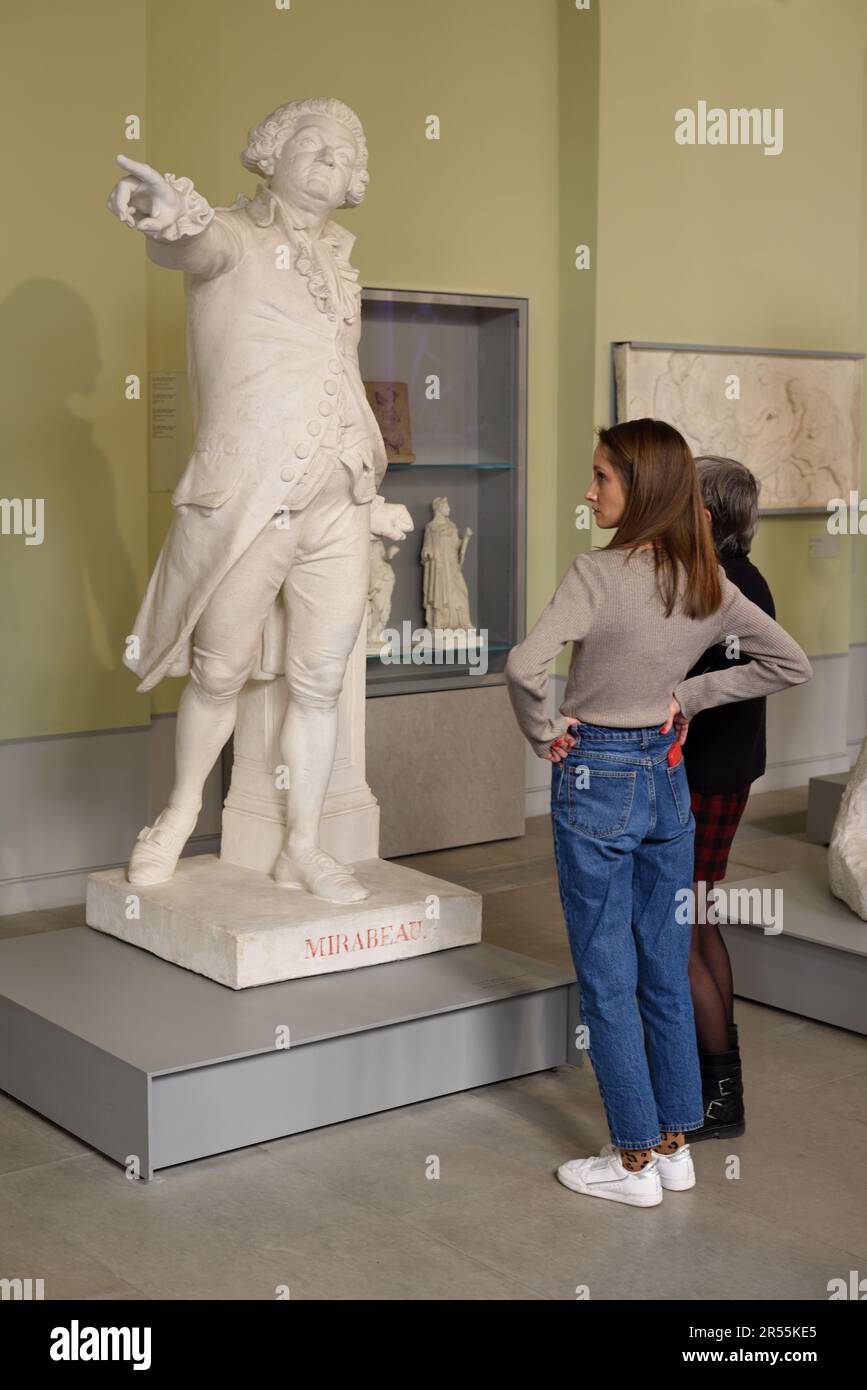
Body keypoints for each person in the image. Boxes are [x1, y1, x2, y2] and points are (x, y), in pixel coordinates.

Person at [504, 419, 812, 1209]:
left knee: (607, 975)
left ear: (640, 488)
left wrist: (544, 731)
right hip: (666, 779)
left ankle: (633, 1158)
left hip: (597, 777)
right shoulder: (706, 579)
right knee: (663, 970)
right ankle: (675, 1147)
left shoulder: (595, 574)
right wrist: (686, 696)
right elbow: (789, 663)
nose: (589, 491)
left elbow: (523, 663)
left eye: (600, 477)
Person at [681, 456, 776, 1142]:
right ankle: (717, 1080)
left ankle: (719, 1096)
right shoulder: (745, 576)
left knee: (678, 924)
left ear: (706, 515)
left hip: (701, 776)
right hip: (725, 772)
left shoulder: (719, 585)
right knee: (696, 915)